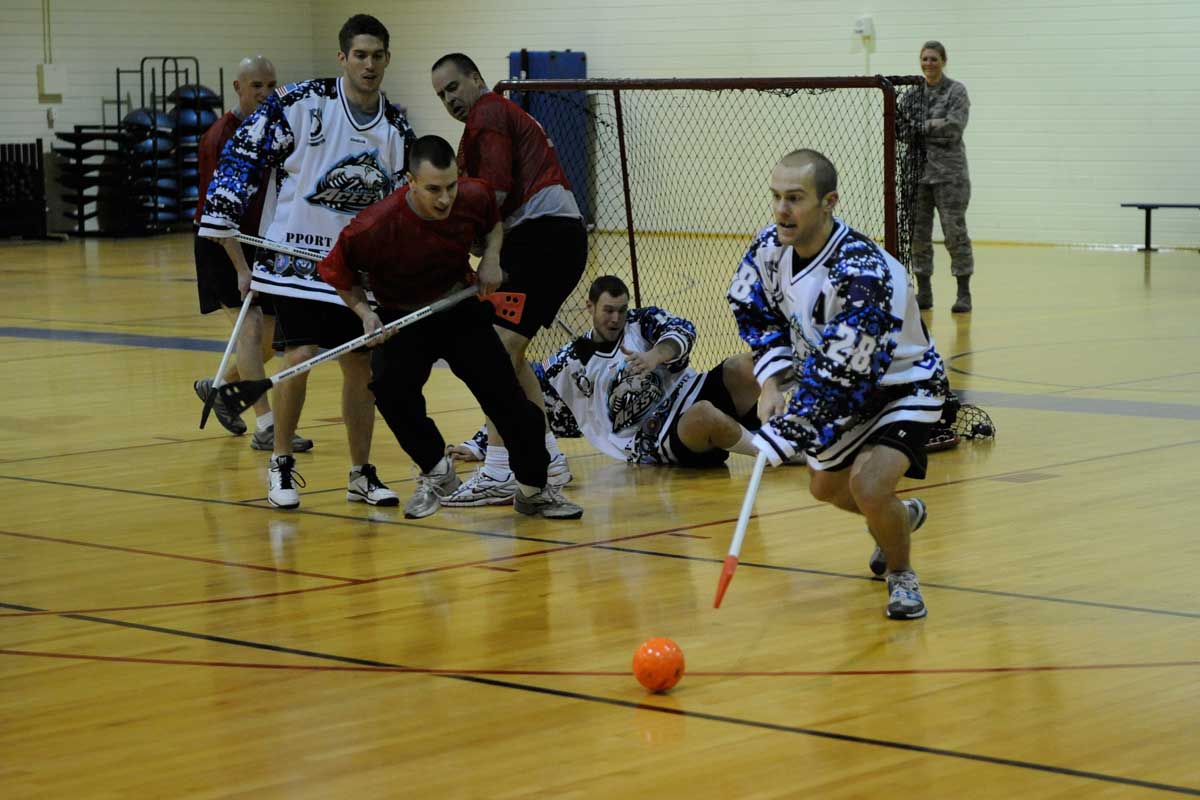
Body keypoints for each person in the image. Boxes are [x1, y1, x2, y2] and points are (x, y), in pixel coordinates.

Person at [198, 14, 415, 510]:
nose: (369, 64)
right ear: (343, 58)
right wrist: (225, 220)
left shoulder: (397, 125)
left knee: (361, 369)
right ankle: (280, 466)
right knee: (298, 356)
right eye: (360, 55)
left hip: (354, 272)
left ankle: (360, 473)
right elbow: (242, 153)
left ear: (387, 59)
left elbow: (403, 204)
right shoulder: (300, 102)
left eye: (378, 55)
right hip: (296, 261)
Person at [729, 149, 950, 620]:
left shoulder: (864, 272)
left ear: (828, 201)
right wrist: (769, 384)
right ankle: (900, 519)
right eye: (776, 197)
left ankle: (901, 575)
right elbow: (752, 306)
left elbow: (847, 372)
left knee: (869, 486)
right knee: (825, 489)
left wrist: (786, 431)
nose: (782, 210)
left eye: (795, 198)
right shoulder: (768, 247)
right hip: (837, 386)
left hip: (903, 385)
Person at [316, 135, 583, 521]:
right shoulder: (372, 227)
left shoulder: (473, 196)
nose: (445, 199)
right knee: (391, 393)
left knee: (510, 403)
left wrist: (491, 257)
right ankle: (437, 473)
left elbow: (492, 225)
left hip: (458, 307)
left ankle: (533, 491)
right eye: (433, 190)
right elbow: (339, 275)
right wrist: (366, 314)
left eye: (451, 186)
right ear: (410, 181)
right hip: (401, 315)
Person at [430, 52, 587, 505]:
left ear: (477, 79)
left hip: (542, 240)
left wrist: (468, 242)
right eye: (441, 95)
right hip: (546, 240)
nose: (449, 100)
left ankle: (500, 469)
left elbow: (492, 194)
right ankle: (548, 458)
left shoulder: (490, 111)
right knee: (511, 356)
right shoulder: (483, 123)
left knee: (494, 353)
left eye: (454, 87)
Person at [447, 276, 763, 479]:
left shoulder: (643, 322)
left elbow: (683, 331)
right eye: (608, 310)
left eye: (621, 310)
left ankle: (782, 422)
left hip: (688, 390)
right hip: (654, 435)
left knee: (749, 363)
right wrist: (479, 444)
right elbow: (522, 398)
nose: (616, 318)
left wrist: (654, 357)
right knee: (705, 415)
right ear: (590, 307)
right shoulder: (572, 361)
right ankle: (768, 451)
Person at [190, 55, 314, 453]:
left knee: (268, 341)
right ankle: (267, 425)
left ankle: (221, 387)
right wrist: (242, 268)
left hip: (261, 241)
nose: (265, 93)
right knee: (252, 329)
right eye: (256, 86)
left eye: (271, 85)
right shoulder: (219, 137)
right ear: (238, 88)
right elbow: (219, 214)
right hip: (222, 244)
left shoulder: (276, 129)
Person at [903, 40, 975, 313]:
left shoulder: (956, 91)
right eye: (925, 59)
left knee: (954, 234)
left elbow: (954, 128)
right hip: (919, 176)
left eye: (934, 59)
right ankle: (925, 292)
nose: (928, 64)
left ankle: (963, 293)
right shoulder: (911, 95)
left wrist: (920, 128)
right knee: (918, 236)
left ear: (944, 61)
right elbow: (901, 130)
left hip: (950, 176)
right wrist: (933, 127)